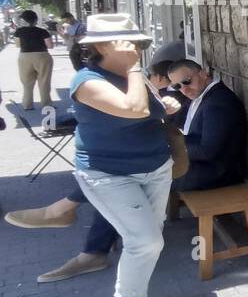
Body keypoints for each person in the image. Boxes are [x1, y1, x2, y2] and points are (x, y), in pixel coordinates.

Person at [5, 62, 189, 284]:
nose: (181, 88)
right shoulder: (134, 85)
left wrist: (164, 107)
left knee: (110, 190)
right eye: (176, 84)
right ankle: (91, 250)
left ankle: (72, 222)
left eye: (183, 83)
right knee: (109, 191)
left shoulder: (198, 99)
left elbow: (203, 142)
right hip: (146, 161)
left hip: (175, 162)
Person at [65, 14, 173, 297]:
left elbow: (148, 108)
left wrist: (165, 105)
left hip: (155, 166)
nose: (135, 48)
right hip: (109, 174)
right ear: (99, 46)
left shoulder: (132, 75)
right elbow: (134, 109)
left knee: (146, 237)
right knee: (146, 240)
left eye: (138, 43)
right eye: (125, 43)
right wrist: (134, 68)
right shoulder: (86, 81)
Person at [167, 58, 248, 189]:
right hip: (200, 166)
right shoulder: (199, 95)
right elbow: (179, 127)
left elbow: (208, 151)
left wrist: (170, 150)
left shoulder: (218, 103)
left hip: (217, 173)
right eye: (177, 86)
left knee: (151, 176)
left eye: (187, 81)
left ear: (203, 73)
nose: (184, 89)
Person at [13, 10, 54, 110]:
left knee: (27, 82)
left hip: (24, 57)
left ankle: (27, 104)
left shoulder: (19, 31)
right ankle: (46, 104)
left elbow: (18, 45)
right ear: (36, 20)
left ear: (24, 20)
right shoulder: (43, 31)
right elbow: (50, 45)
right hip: (42, 56)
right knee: (44, 81)